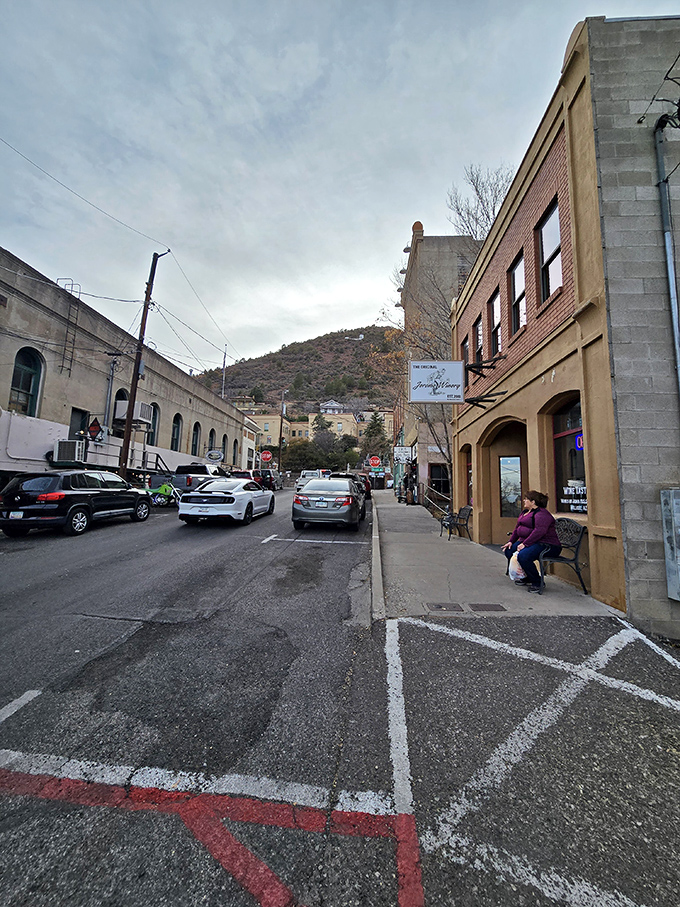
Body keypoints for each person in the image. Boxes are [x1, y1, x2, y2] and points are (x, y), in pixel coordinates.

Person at [501, 491, 561, 593]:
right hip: (531, 542)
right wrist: (511, 541)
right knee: (509, 551)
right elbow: (517, 529)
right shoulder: (525, 513)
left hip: (547, 545)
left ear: (533, 502)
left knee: (524, 556)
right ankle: (527, 576)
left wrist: (525, 544)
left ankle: (537, 582)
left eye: (526, 499)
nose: (524, 500)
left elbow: (539, 531)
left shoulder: (542, 514)